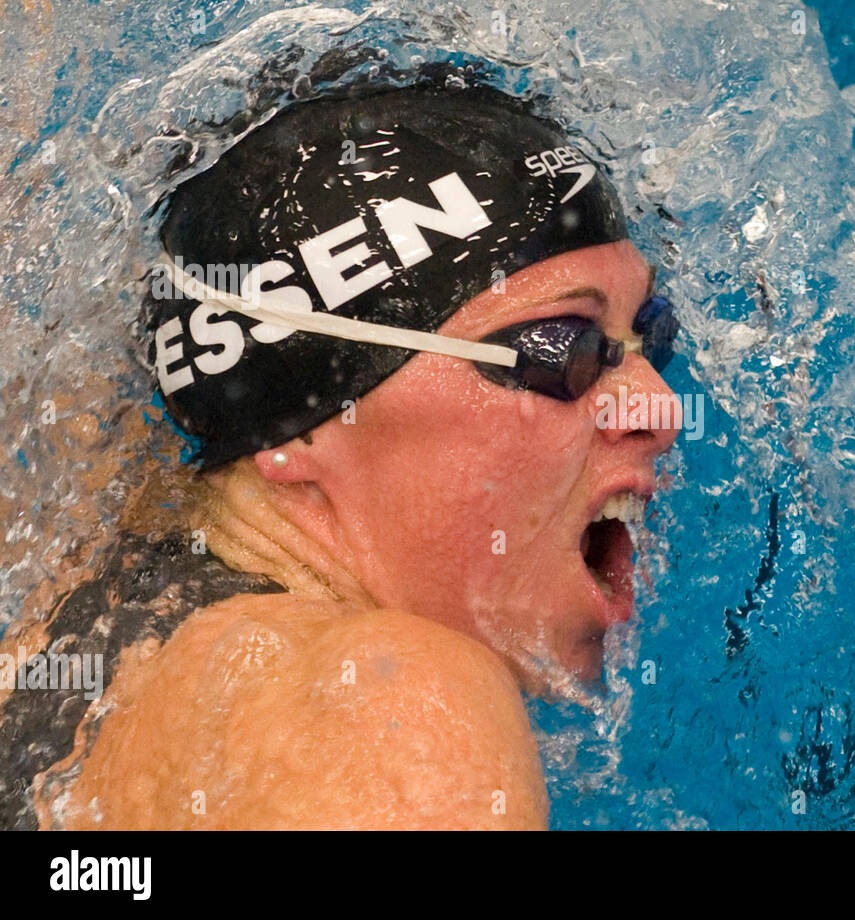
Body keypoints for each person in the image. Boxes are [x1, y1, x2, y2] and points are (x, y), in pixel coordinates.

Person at [1, 68, 681, 830]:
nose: (660, 407)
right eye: (560, 349)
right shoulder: (393, 705)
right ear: (302, 427)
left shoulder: (57, 640)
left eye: (653, 335)